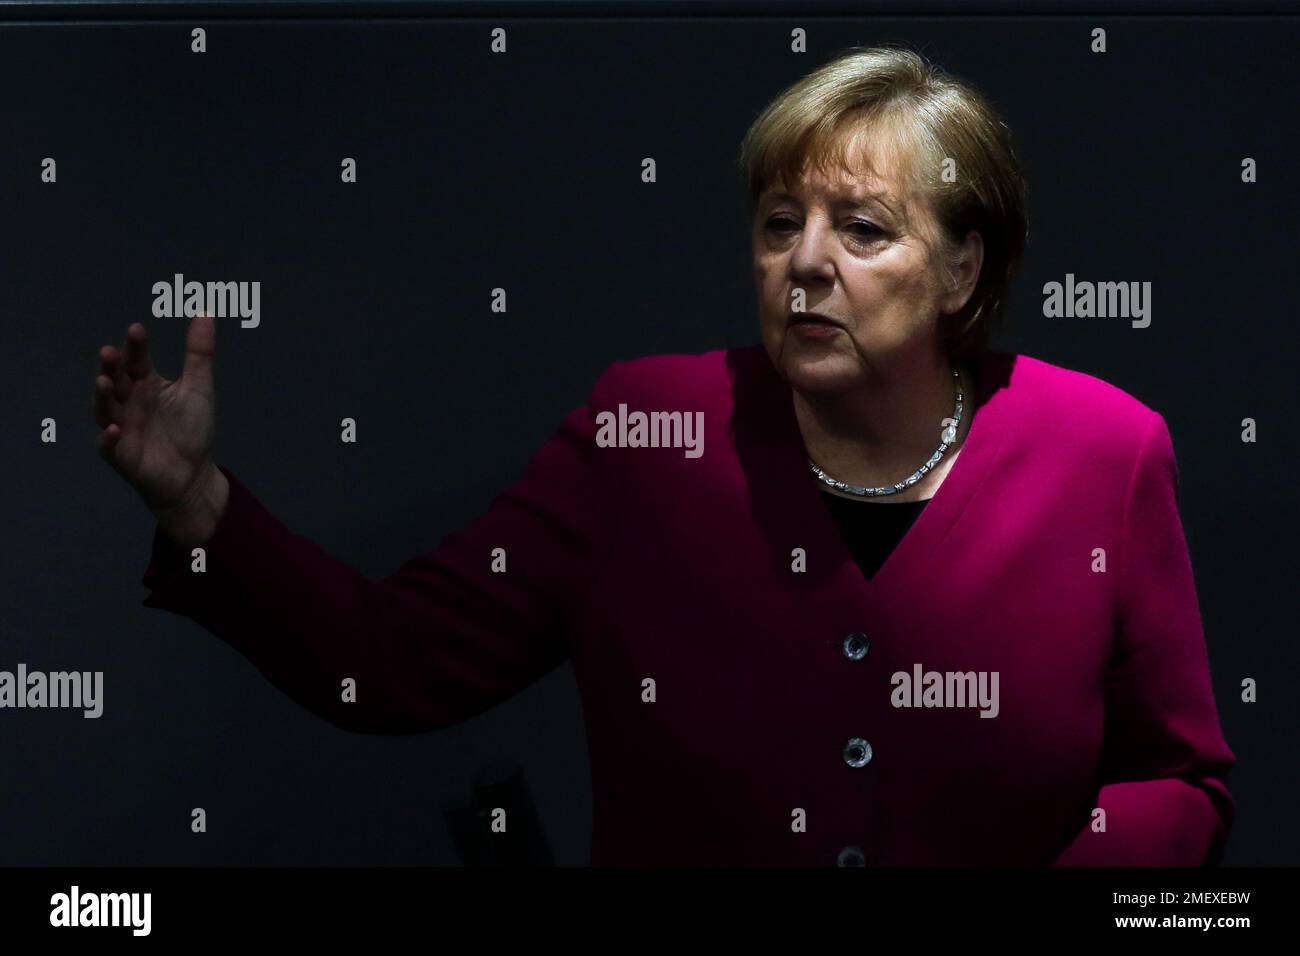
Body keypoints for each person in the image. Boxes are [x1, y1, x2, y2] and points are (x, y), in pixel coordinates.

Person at [93, 45, 1234, 866]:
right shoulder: (646, 431)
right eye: (780, 222)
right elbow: (394, 660)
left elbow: (1177, 782)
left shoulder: (1104, 451)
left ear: (962, 271)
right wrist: (198, 498)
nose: (806, 262)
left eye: (864, 228)